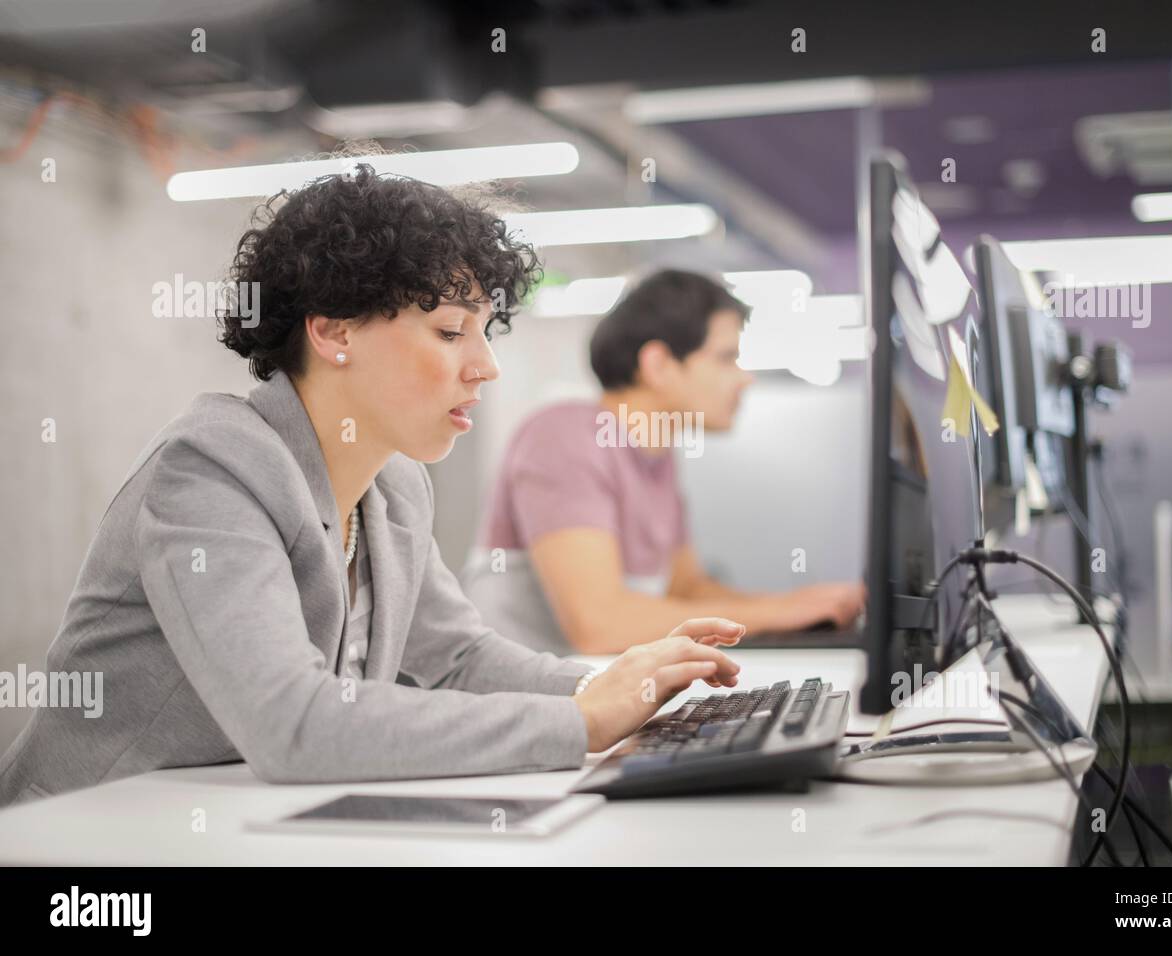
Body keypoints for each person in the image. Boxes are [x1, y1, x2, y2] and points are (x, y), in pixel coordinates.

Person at [0, 164, 745, 807]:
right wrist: (582, 723)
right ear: (334, 332)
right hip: (81, 837)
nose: (484, 365)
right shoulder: (210, 472)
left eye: (486, 332)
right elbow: (292, 725)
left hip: (227, 827)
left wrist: (618, 684)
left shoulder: (393, 485)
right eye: (452, 332)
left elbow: (457, 661)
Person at [462, 269, 866, 656]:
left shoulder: (656, 458)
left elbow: (686, 590)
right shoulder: (563, 436)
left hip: (595, 699)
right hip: (518, 708)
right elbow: (601, 626)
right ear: (657, 364)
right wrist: (779, 613)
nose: (746, 378)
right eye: (726, 358)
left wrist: (804, 606)